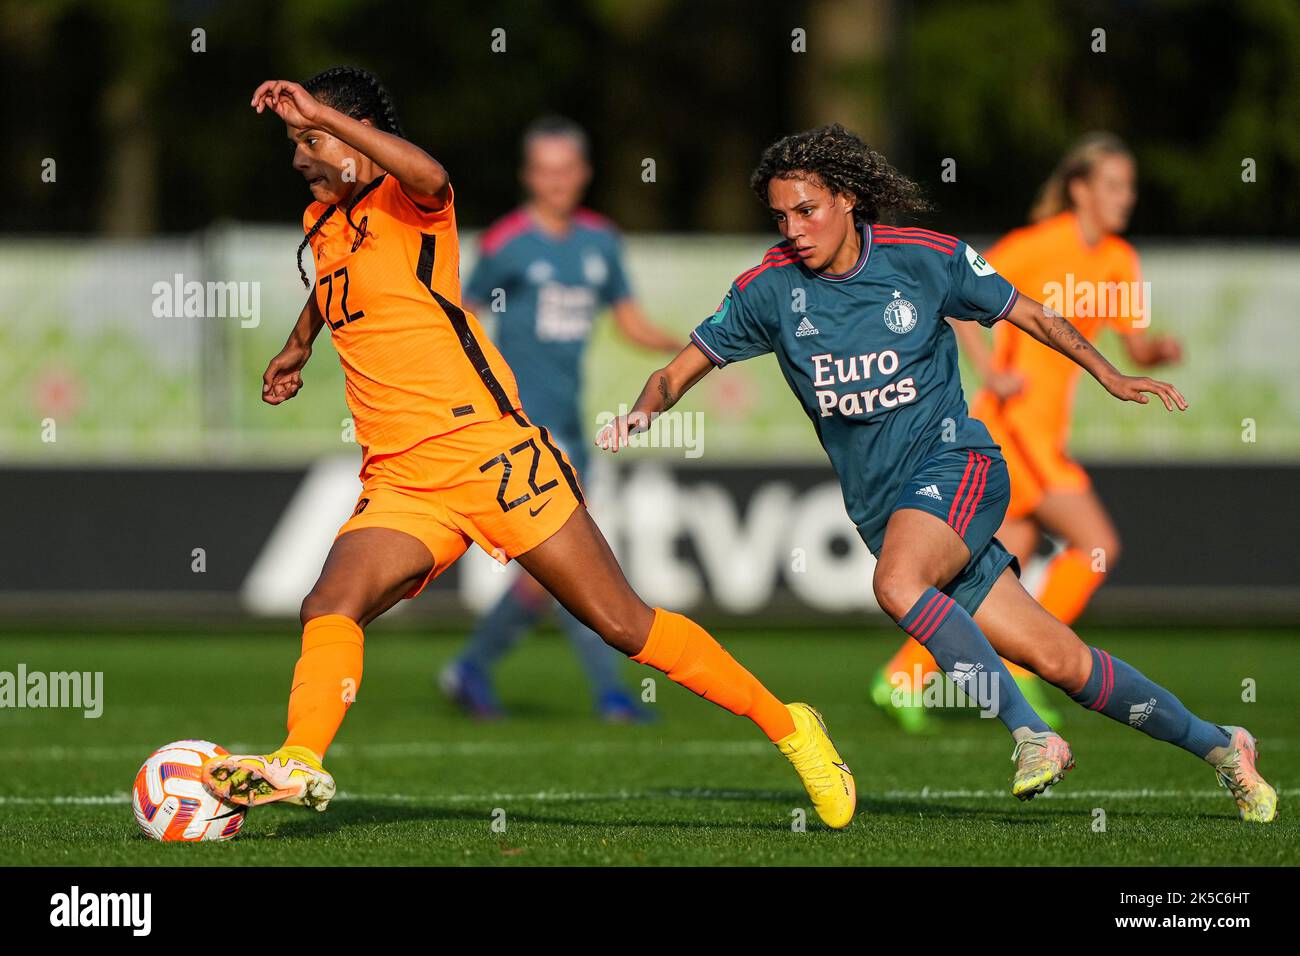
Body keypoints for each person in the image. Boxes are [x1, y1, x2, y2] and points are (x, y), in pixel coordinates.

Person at [199, 68, 857, 830]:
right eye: (295, 142)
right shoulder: (322, 223)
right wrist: (298, 345)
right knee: (330, 602)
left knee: (624, 625)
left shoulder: (409, 203)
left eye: (311, 139)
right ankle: (300, 761)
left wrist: (326, 119)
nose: (299, 157)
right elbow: (337, 285)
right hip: (404, 477)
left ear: (359, 141)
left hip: (492, 454)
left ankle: (793, 728)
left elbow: (433, 174)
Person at [597, 124, 1275, 822]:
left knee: (896, 584)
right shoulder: (770, 291)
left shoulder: (925, 260)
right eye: (781, 216)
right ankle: (1223, 747)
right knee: (1065, 662)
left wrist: (1111, 374)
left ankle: (1031, 734)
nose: (794, 229)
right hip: (884, 508)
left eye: (808, 210)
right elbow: (677, 369)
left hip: (960, 465)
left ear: (849, 198)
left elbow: (1033, 314)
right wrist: (644, 413)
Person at [872, 132, 1183, 733]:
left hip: (1048, 432)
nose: (1126, 198)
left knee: (984, 569)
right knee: (1097, 545)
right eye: (1114, 185)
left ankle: (903, 677)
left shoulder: (1119, 259)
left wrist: (1158, 353)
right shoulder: (1036, 246)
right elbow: (955, 297)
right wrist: (992, 370)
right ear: (1079, 189)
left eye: (1130, 187)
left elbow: (1133, 340)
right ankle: (1022, 672)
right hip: (1011, 428)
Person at [439, 116, 679, 722]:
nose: (556, 182)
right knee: (581, 560)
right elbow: (457, 320)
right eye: (544, 171)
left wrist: (696, 357)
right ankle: (613, 695)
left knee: (547, 578)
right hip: (522, 427)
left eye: (566, 170)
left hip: (571, 427)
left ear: (584, 175)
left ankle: (471, 667)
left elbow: (630, 321)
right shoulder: (507, 242)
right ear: (529, 176)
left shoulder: (600, 242)